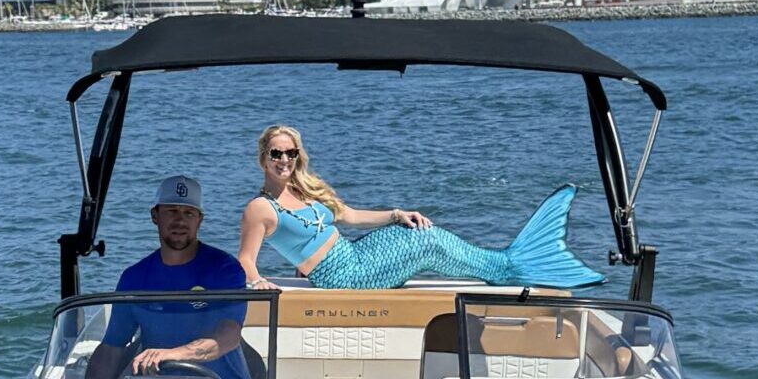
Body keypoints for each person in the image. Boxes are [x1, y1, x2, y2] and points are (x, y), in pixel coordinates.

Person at [237, 125, 603, 291]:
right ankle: (507, 267)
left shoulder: (303, 189)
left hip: (355, 255)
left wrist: (397, 214)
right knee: (427, 244)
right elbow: (245, 259)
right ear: (264, 158)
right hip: (344, 278)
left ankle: (507, 263)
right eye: (276, 153)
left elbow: (349, 216)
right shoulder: (261, 208)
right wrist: (257, 281)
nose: (284, 160)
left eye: (291, 153)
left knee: (414, 229)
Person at [87, 176, 256, 379]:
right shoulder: (134, 278)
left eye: (189, 213)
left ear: (199, 220)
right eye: (171, 211)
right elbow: (111, 348)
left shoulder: (225, 270)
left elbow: (228, 336)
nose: (180, 221)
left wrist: (171, 354)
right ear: (155, 216)